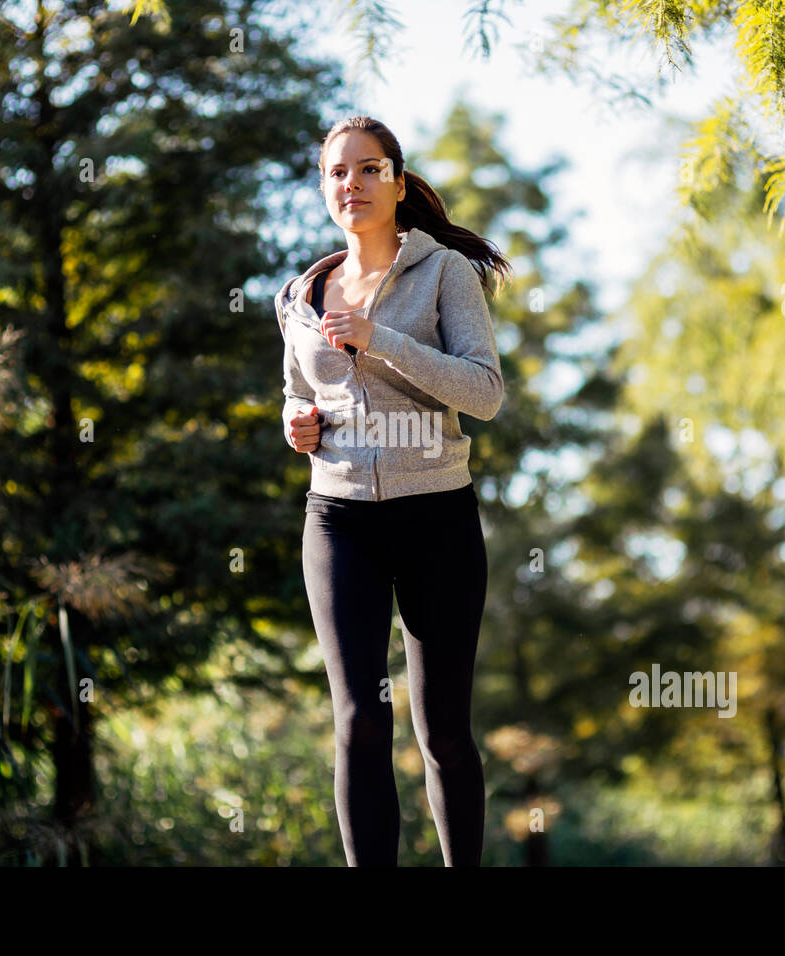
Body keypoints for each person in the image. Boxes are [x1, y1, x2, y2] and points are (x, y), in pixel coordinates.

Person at [272, 115, 512, 866]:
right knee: (359, 723)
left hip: (436, 516)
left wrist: (382, 341)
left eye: (370, 168)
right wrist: (297, 424)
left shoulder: (446, 274)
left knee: (441, 730)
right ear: (323, 190)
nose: (354, 183)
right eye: (338, 172)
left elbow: (485, 392)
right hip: (340, 518)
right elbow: (291, 393)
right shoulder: (300, 295)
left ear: (399, 183)